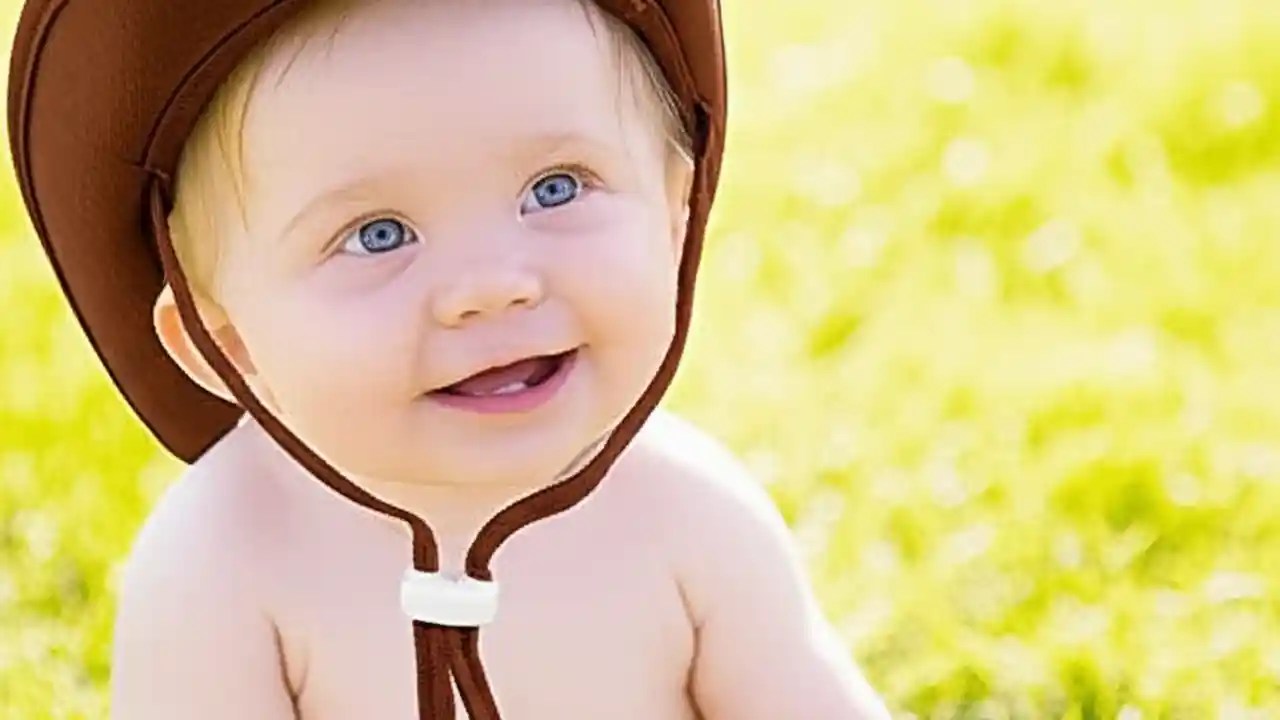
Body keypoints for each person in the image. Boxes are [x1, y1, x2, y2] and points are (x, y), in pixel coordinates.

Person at [7, 0, 890, 717]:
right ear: (224, 342)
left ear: (674, 216)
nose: (491, 287)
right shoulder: (223, 562)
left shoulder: (687, 514)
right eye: (378, 235)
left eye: (555, 188)